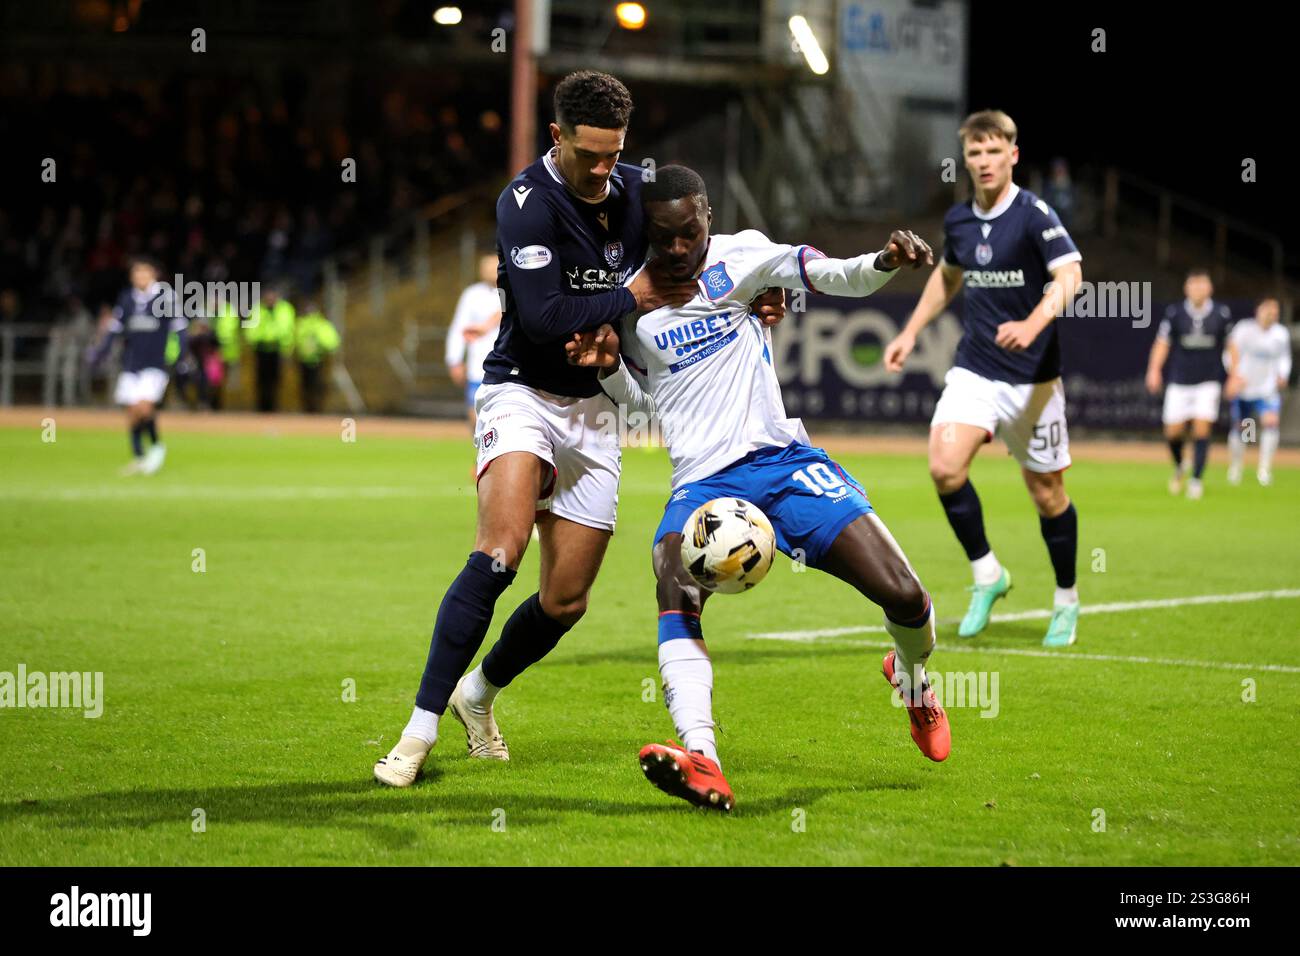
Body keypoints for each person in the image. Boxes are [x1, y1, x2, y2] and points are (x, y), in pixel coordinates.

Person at [373, 71, 773, 787]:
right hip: (520, 391)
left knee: (565, 601)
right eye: (589, 155)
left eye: (613, 155)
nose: (602, 171)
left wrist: (758, 294)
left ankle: (480, 696)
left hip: (596, 406)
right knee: (500, 552)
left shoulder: (629, 191)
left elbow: (695, 249)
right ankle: (417, 730)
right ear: (556, 136)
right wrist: (630, 296)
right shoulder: (525, 205)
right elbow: (541, 316)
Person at [563, 165, 943, 811]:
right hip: (701, 481)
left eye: (690, 232)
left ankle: (912, 682)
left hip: (784, 460)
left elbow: (832, 275)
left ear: (708, 214)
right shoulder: (629, 302)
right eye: (664, 238)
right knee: (672, 583)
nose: (680, 249)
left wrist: (883, 260)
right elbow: (640, 411)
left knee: (906, 597)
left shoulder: (746, 258)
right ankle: (703, 756)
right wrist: (606, 374)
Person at [884, 110, 1085, 648]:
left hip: (1034, 382)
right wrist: (909, 332)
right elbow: (946, 280)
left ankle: (1066, 600)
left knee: (1047, 494)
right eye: (975, 153)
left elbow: (1071, 276)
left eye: (994, 151)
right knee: (945, 467)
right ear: (966, 159)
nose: (984, 162)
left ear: (1013, 155)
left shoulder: (1035, 214)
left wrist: (1034, 321)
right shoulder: (959, 222)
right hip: (975, 368)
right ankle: (987, 575)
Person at [86, 256, 184, 475]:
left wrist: (181, 356)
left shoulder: (165, 297)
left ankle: (157, 446)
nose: (140, 277)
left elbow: (180, 327)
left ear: (154, 274)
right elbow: (114, 329)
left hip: (155, 363)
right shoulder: (127, 298)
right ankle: (140, 456)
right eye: (137, 273)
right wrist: (101, 352)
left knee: (144, 407)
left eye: (145, 272)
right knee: (132, 412)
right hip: (131, 363)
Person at [1146, 268, 1235, 499]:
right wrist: (1154, 370)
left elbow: (1231, 347)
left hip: (1209, 380)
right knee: (1173, 432)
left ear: (1210, 288)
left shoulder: (1221, 314)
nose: (1198, 289)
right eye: (1193, 284)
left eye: (1202, 284)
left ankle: (1196, 480)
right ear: (1186, 288)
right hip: (1180, 379)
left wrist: (1234, 375)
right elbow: (1162, 343)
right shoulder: (1175, 313)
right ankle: (1180, 465)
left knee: (1201, 428)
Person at [1226, 297, 1290, 486]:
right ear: (1258, 310)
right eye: (1267, 309)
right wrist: (1235, 375)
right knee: (1246, 430)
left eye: (1275, 311)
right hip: (1245, 389)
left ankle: (1264, 469)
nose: (1271, 314)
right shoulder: (1244, 330)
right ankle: (1237, 466)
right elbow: (1230, 353)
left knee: (1271, 423)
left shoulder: (1280, 334)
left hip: (1267, 389)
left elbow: (1284, 357)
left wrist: (1282, 374)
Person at [445, 254, 503, 428]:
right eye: (487, 267)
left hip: (506, 362)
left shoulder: (511, 291)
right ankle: (481, 451)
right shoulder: (472, 294)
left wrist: (486, 326)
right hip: (478, 365)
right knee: (475, 414)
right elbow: (458, 328)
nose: (491, 271)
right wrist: (454, 360)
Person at [245, 285, 296, 412]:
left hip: (278, 349)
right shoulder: (258, 309)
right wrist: (258, 339)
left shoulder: (285, 309)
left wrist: (286, 347)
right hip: (261, 349)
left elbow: (287, 329)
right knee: (261, 380)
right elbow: (250, 330)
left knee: (276, 380)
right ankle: (262, 407)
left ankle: (274, 407)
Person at [294, 300, 340, 413]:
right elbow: (296, 340)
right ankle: (308, 408)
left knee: (317, 385)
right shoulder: (302, 324)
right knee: (305, 386)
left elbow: (331, 342)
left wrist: (321, 344)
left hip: (319, 359)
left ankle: (316, 409)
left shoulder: (321, 324)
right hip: (303, 359)